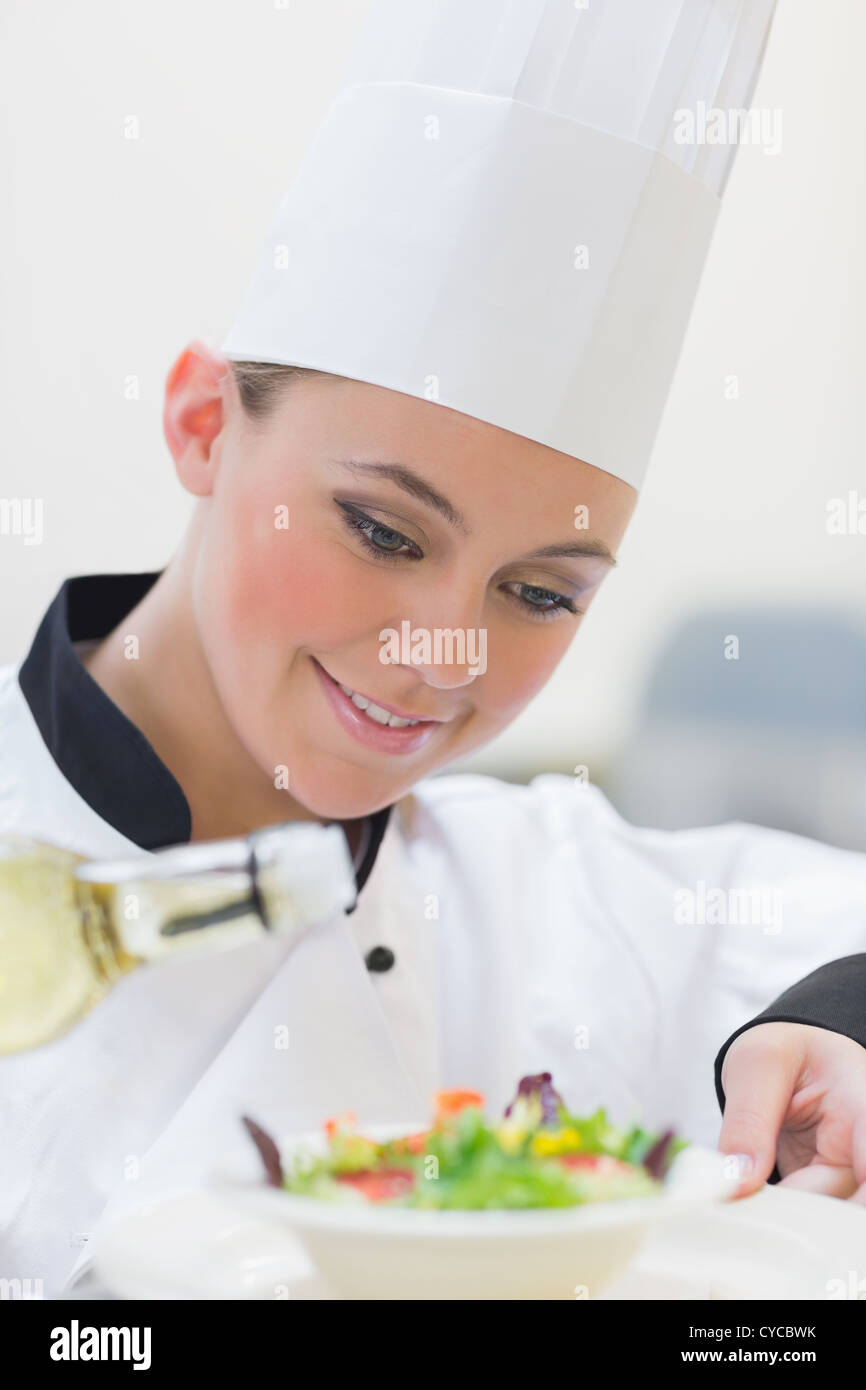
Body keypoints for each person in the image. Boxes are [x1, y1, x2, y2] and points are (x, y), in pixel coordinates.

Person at [1, 0, 864, 1298]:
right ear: (200, 422)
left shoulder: (550, 894)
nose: (443, 653)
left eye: (537, 591)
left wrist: (834, 1019)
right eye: (380, 530)